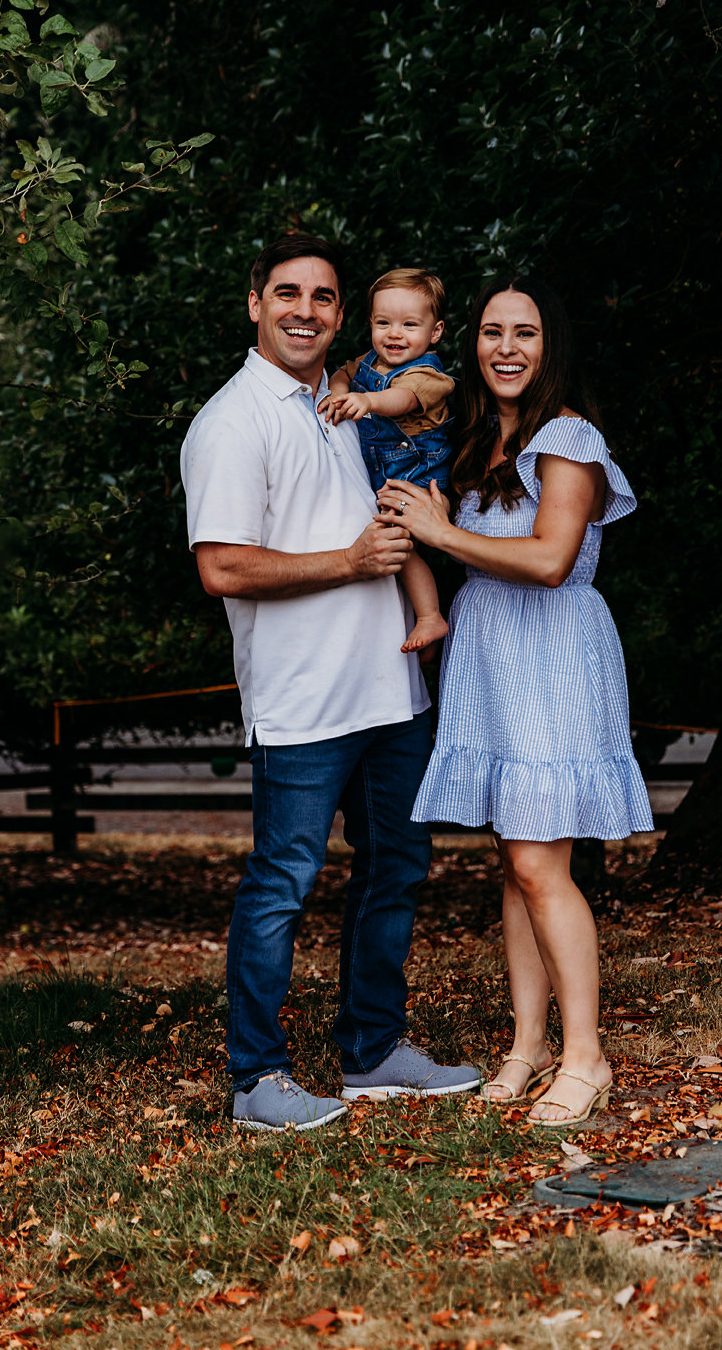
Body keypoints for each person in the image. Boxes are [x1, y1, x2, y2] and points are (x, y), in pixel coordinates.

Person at [179, 233, 479, 1132]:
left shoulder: (348, 403)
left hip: (391, 691)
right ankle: (257, 1079)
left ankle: (373, 1050)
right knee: (282, 883)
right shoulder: (234, 420)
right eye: (287, 293)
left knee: (396, 870)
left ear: (341, 313)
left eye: (321, 297)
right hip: (303, 702)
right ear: (255, 304)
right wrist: (349, 562)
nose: (304, 310)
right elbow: (222, 568)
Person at [377, 273, 653, 1130]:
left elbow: (551, 560)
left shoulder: (567, 436)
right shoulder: (475, 436)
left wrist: (441, 533)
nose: (505, 348)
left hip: (551, 654)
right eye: (492, 331)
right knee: (516, 860)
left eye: (524, 333)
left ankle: (587, 1056)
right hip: (492, 653)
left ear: (550, 345)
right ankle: (527, 1045)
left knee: (540, 863)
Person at [318, 268, 455, 656]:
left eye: (409, 324)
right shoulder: (369, 363)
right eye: (383, 323)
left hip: (418, 477)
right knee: (389, 552)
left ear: (435, 331)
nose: (395, 334)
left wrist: (367, 401)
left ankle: (430, 616)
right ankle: (417, 627)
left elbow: (403, 399)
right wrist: (338, 393)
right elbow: (341, 373)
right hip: (386, 476)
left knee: (398, 545)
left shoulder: (427, 373)